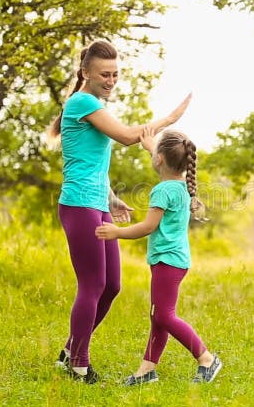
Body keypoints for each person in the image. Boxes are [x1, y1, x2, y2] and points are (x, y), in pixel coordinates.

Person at [48, 39, 192, 384]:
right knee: (93, 283)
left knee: (112, 284)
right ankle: (78, 364)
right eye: (104, 74)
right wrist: (171, 119)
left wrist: (111, 198)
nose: (111, 80)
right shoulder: (82, 101)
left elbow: (89, 162)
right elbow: (129, 137)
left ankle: (70, 350)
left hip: (97, 203)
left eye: (115, 74)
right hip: (79, 205)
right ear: (85, 73)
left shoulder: (93, 103)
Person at [96, 126, 222, 385]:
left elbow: (147, 227)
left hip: (167, 261)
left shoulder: (163, 191)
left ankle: (207, 358)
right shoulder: (181, 187)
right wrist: (153, 146)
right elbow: (166, 154)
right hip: (174, 261)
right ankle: (147, 370)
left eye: (156, 152)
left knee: (164, 315)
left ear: (160, 159)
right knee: (158, 315)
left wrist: (116, 232)